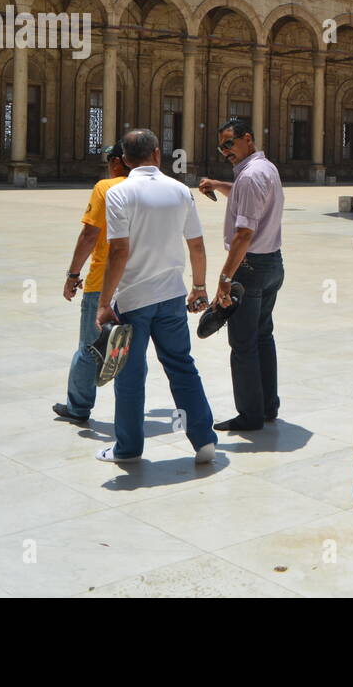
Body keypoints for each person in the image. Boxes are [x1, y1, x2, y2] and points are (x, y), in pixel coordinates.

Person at [94, 129, 217, 464]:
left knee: (131, 375)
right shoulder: (180, 191)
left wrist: (104, 304)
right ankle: (204, 439)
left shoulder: (120, 193)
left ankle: (129, 448)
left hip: (134, 300)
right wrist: (200, 286)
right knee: (182, 367)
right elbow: (196, 244)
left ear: (123, 160)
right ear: (157, 155)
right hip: (173, 295)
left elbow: (119, 252)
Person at [197, 118, 285, 431]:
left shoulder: (249, 177)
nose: (225, 152)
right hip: (273, 264)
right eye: (221, 147)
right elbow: (248, 194)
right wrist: (220, 185)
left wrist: (224, 279)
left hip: (250, 269)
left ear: (247, 138)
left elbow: (244, 233)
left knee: (244, 343)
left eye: (229, 144)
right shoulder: (267, 169)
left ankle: (250, 415)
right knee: (263, 336)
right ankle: (267, 406)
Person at [54, 141, 130, 423]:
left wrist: (73, 274)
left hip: (102, 281)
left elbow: (89, 235)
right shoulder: (150, 189)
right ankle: (128, 412)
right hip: (138, 283)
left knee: (89, 345)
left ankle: (78, 407)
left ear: (117, 161)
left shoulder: (106, 188)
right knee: (130, 347)